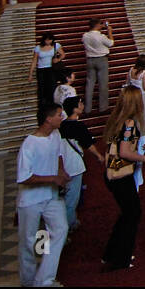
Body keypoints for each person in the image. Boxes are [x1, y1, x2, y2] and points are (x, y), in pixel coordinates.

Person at [16, 103, 69, 287]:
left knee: (60, 229)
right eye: (59, 115)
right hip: (31, 200)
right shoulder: (29, 144)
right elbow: (24, 177)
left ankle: (44, 279)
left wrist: (61, 171)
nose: (62, 118)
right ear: (48, 118)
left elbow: (59, 154)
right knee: (29, 242)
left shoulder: (56, 135)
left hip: (51, 197)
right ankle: (28, 280)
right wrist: (52, 179)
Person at [102, 86, 145, 271]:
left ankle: (111, 251)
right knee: (132, 214)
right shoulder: (129, 123)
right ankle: (121, 257)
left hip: (112, 172)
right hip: (121, 174)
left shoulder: (116, 119)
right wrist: (144, 158)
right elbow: (124, 151)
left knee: (127, 213)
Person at [59, 96, 100, 229]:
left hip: (63, 164)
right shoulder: (78, 126)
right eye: (80, 104)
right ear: (75, 109)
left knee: (67, 196)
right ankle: (67, 225)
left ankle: (70, 221)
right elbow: (88, 144)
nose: (82, 105)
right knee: (72, 198)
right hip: (74, 165)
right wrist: (99, 156)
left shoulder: (62, 125)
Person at [81, 18, 114, 113]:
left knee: (90, 84)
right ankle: (103, 107)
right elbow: (111, 43)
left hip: (90, 59)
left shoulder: (85, 36)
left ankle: (87, 108)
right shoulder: (101, 36)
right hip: (102, 59)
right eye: (100, 24)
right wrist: (110, 32)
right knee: (103, 84)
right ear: (97, 25)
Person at [29, 33, 64, 112]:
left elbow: (63, 54)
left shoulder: (56, 45)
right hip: (41, 70)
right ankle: (43, 107)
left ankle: (52, 106)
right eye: (47, 40)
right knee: (42, 89)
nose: (48, 42)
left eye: (50, 40)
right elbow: (34, 60)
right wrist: (30, 74)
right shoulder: (38, 48)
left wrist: (58, 59)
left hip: (51, 69)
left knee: (52, 88)